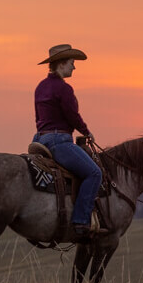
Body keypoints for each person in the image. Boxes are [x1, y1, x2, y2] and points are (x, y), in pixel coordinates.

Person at [33, 44, 106, 239]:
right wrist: (86, 131)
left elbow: (37, 117)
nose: (74, 67)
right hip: (59, 141)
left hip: (40, 139)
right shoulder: (64, 88)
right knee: (94, 173)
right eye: (72, 63)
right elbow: (72, 115)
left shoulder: (40, 87)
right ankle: (81, 221)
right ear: (62, 64)